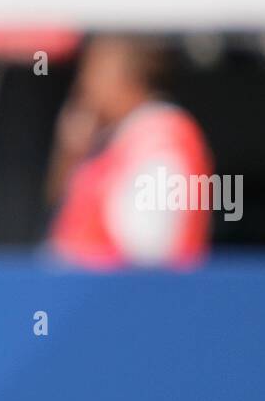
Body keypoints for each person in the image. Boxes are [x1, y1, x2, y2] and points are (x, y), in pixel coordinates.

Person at [44, 34, 214, 270]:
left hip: (122, 300)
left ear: (120, 71)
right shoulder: (114, 139)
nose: (84, 84)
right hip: (87, 297)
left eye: (92, 70)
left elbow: (151, 248)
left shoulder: (161, 137)